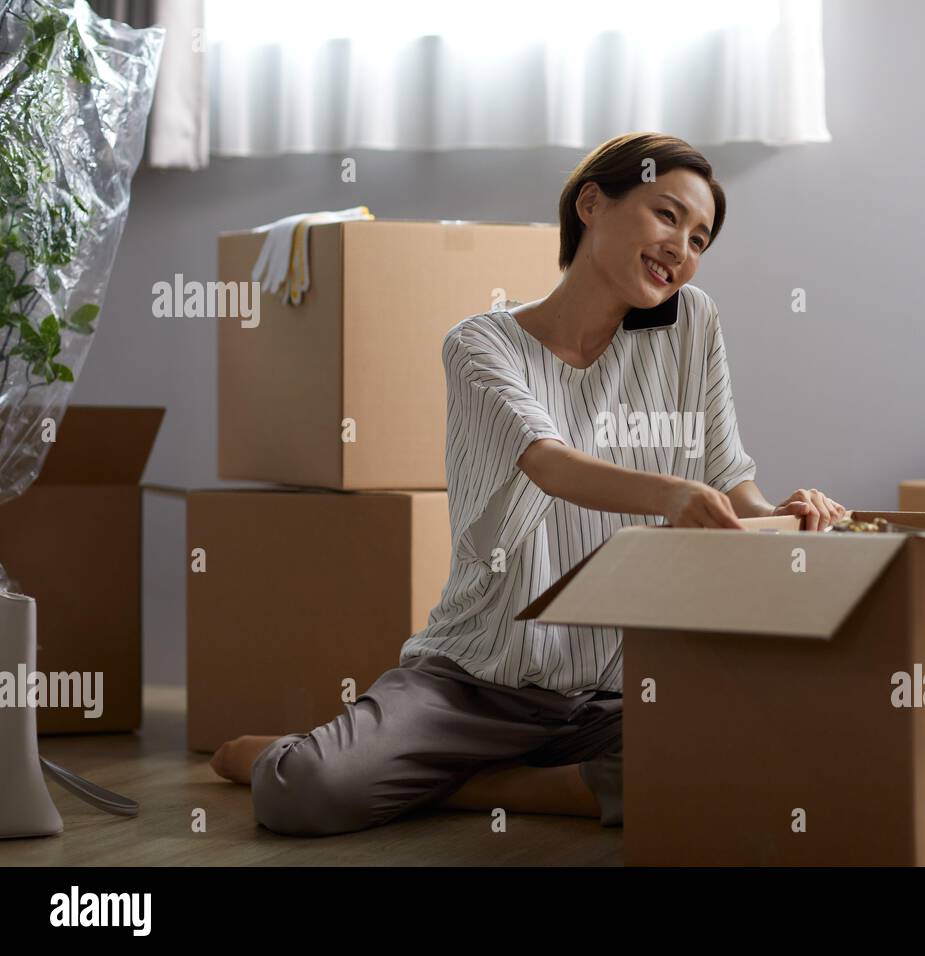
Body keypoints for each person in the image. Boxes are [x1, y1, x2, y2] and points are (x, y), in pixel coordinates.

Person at [209, 131, 846, 836]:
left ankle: (460, 788)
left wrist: (785, 513)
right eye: (668, 216)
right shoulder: (481, 342)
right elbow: (550, 463)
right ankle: (313, 758)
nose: (682, 250)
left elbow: (730, 483)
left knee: (766, 757)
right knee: (306, 792)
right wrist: (670, 495)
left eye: (700, 240)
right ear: (592, 203)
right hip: (472, 686)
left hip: (613, 694)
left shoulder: (691, 325)